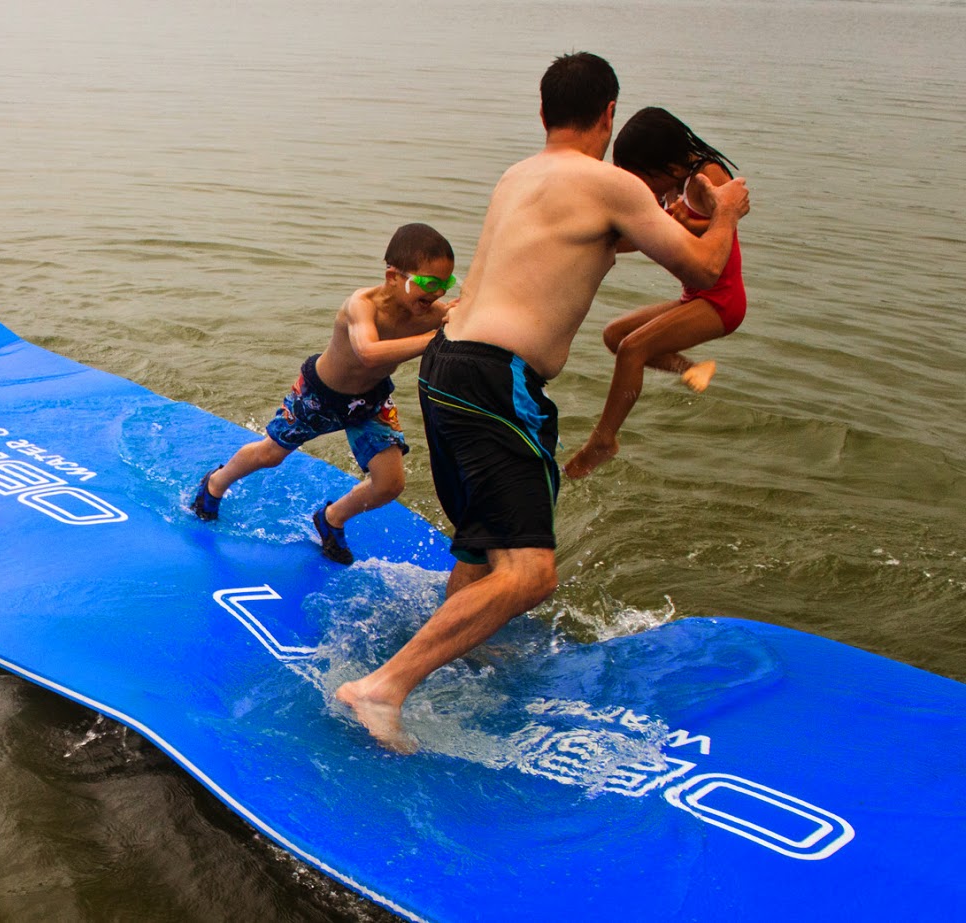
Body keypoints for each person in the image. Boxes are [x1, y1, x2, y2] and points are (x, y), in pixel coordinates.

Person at [335, 53, 750, 751]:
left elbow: (620, 237)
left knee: (480, 547)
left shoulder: (521, 175)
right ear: (610, 114)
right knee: (530, 572)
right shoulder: (611, 182)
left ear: (542, 113)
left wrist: (684, 211)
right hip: (496, 380)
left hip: (444, 370)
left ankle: (458, 645)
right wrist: (727, 211)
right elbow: (704, 268)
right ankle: (383, 687)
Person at [190, 223, 458, 565]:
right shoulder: (361, 305)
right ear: (393, 275)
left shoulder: (432, 314)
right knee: (271, 454)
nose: (436, 294)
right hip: (320, 394)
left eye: (445, 284)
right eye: (429, 283)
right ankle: (215, 483)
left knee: (390, 485)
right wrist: (437, 339)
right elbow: (368, 352)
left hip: (371, 400)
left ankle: (331, 519)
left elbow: (469, 317)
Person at [562, 107, 747, 478]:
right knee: (615, 336)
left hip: (721, 300)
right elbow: (652, 234)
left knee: (634, 349)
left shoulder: (706, 176)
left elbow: (724, 224)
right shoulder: (675, 184)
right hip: (694, 296)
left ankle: (603, 439)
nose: (642, 190)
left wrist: (685, 222)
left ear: (669, 166)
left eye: (643, 178)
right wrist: (601, 244)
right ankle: (692, 370)